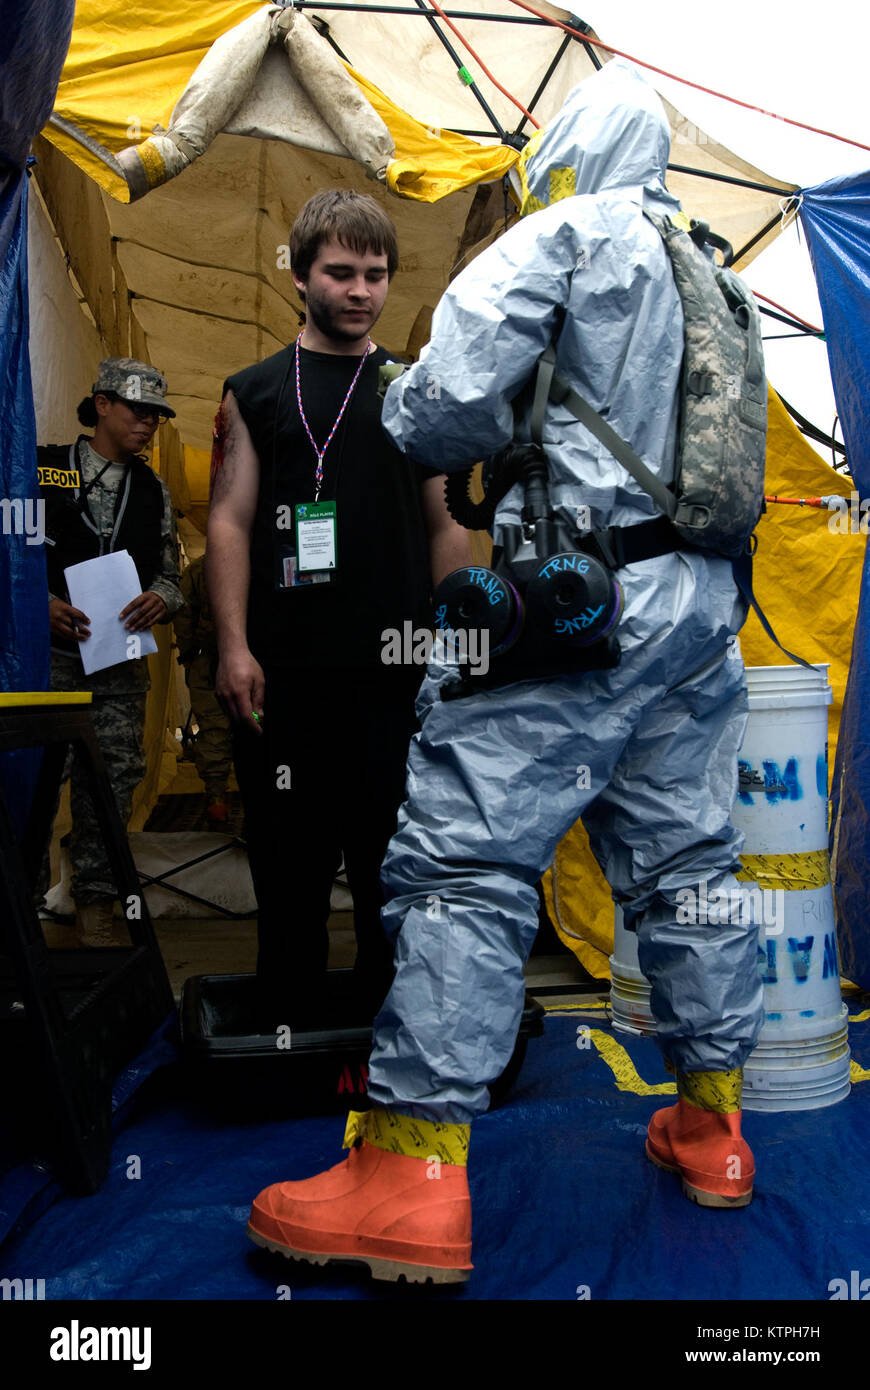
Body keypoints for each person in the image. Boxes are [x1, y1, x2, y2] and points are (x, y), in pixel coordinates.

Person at [247, 61, 766, 1283]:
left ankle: (412, 1175)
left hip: (578, 606)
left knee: (465, 857)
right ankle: (714, 1122)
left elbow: (432, 416)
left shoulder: (567, 237)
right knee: (692, 862)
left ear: (564, 156)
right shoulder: (721, 280)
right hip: (702, 616)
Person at [207, 189, 470, 1026]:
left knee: (394, 867)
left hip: (395, 676)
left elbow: (447, 524)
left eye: (377, 275)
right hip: (284, 679)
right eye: (342, 272)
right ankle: (287, 1042)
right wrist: (234, 647)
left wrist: (451, 643)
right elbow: (229, 520)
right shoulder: (252, 392)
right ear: (299, 275)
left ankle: (389, 1041)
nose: (362, 291)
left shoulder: (416, 390)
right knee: (289, 871)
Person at [39, 357, 183, 945]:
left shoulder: (154, 492)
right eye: (137, 410)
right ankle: (22, 903)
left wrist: (159, 599)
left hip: (119, 668)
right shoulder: (43, 470)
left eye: (156, 416)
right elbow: (9, 559)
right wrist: (39, 603)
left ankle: (97, 907)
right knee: (36, 781)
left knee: (111, 785)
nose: (148, 424)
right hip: (47, 661)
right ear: (101, 404)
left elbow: (173, 576)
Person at [174, 553, 233, 826]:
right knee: (255, 722)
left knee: (213, 729)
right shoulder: (258, 556)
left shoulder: (199, 568)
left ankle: (216, 799)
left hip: (208, 663)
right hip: (253, 663)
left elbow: (184, 615)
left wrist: (188, 655)